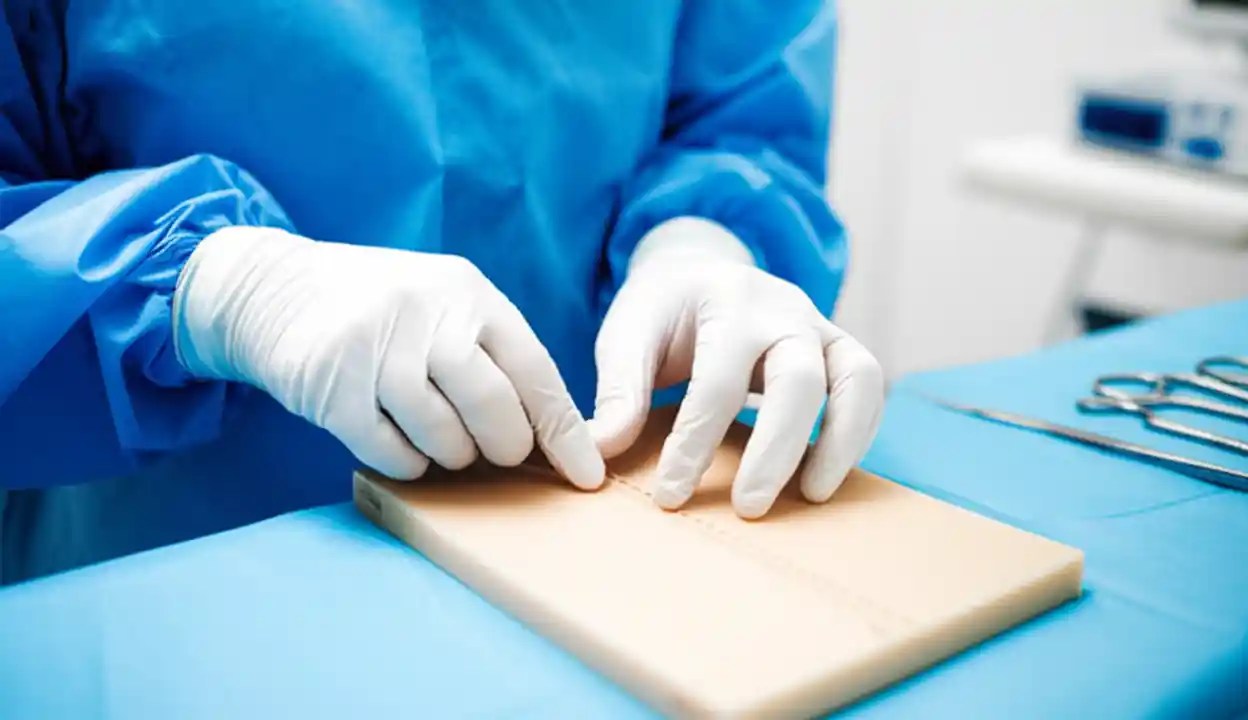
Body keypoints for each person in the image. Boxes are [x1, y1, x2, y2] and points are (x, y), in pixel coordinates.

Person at [0, 0, 883, 582]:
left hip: (593, 553)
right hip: (175, 561)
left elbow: (742, 106)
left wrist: (709, 238)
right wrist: (209, 291)